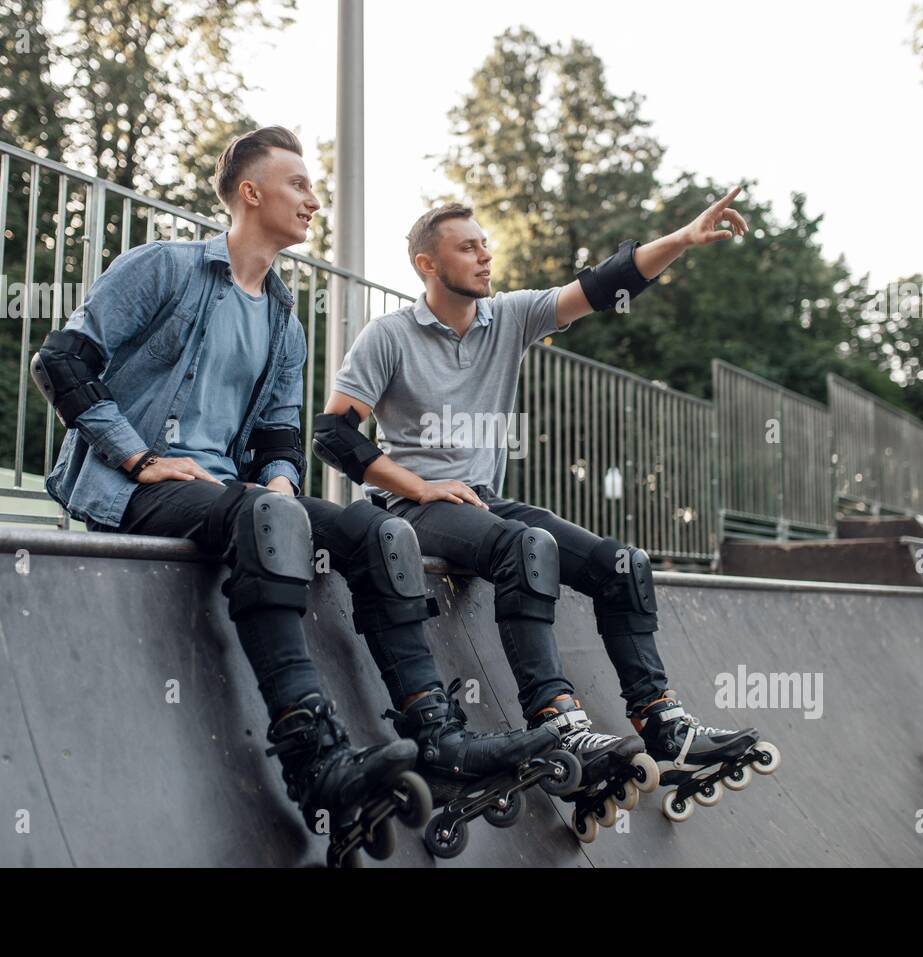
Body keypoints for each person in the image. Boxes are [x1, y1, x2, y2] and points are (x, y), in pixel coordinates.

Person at [32, 127, 558, 864]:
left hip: (230, 495)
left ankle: (438, 737)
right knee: (269, 510)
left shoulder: (284, 318)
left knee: (382, 534)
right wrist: (139, 455)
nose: (315, 200)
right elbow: (61, 359)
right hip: (129, 488)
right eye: (300, 186)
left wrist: (281, 491)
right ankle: (314, 758)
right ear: (251, 192)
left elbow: (281, 437)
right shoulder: (163, 268)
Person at [315, 194, 778, 835]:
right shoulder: (388, 336)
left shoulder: (508, 317)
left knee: (622, 564)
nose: (485, 254)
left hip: (485, 501)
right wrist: (420, 487)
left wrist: (682, 237)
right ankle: (557, 719)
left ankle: (661, 720)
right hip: (411, 506)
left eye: (485, 243)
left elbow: (599, 285)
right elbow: (335, 433)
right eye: (467, 246)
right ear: (427, 263)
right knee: (524, 545)